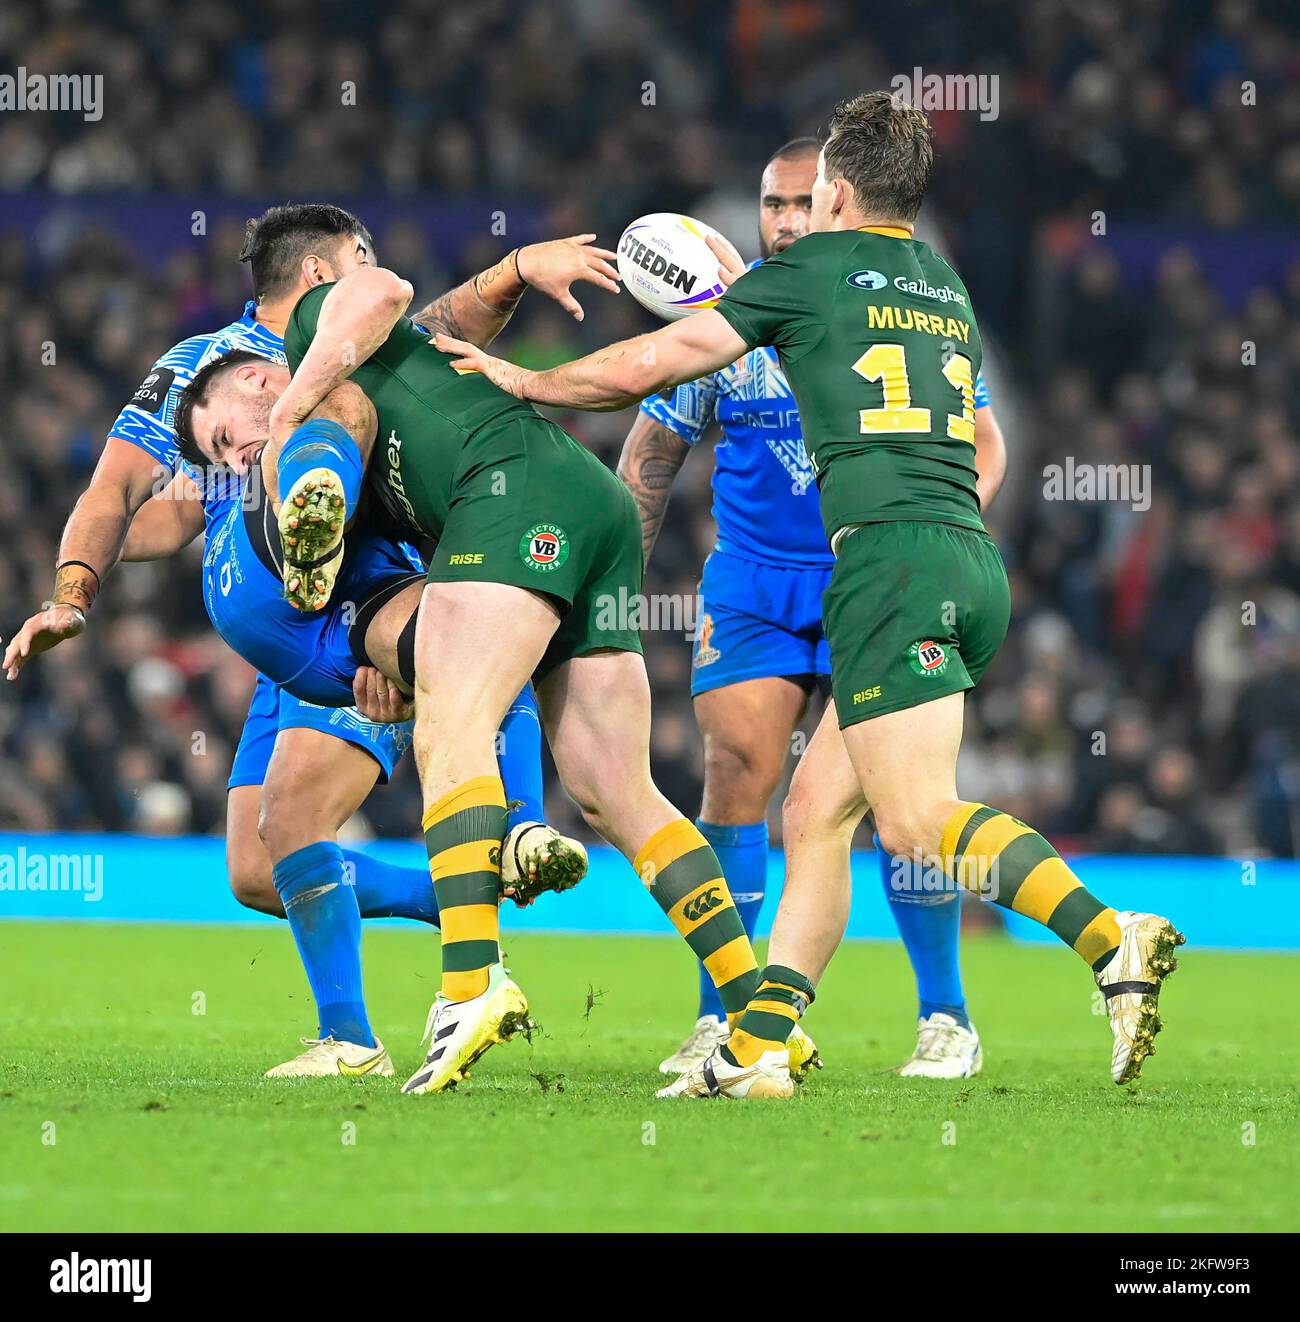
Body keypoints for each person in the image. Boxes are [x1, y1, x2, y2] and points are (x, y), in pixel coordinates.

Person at [432, 92, 1186, 1097]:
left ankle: (1107, 936)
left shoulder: (805, 272)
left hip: (881, 566)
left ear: (834, 189)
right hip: (962, 557)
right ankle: (759, 1042)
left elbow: (652, 361)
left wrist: (522, 381)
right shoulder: (944, 288)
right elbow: (979, 440)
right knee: (817, 813)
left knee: (917, 818)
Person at [172, 260, 822, 1097]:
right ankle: (760, 1020)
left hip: (512, 493)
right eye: (225, 456)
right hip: (592, 507)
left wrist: (298, 400)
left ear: (262, 374)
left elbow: (384, 290)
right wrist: (381, 660)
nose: (244, 448)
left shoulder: (315, 344)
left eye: (232, 428)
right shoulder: (343, 493)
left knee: (454, 724)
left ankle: (470, 988)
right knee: (616, 790)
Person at [3, 204, 615, 1077]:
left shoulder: (362, 337)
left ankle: (359, 1029)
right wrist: (76, 588)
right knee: (257, 868)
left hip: (364, 598)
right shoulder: (201, 370)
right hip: (268, 620)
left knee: (298, 813)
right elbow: (125, 497)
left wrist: (515, 270)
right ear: (336, 264)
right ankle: (462, 891)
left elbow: (444, 324)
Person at [621, 135, 1007, 1079]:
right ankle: (725, 1015)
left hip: (871, 574)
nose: (786, 221)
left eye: (802, 203)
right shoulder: (733, 317)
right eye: (770, 204)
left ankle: (945, 1016)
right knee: (736, 771)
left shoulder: (891, 309)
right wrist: (613, 594)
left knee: (890, 801)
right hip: (753, 580)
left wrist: (930, 525)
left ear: (837, 204)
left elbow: (985, 444)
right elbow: (648, 460)